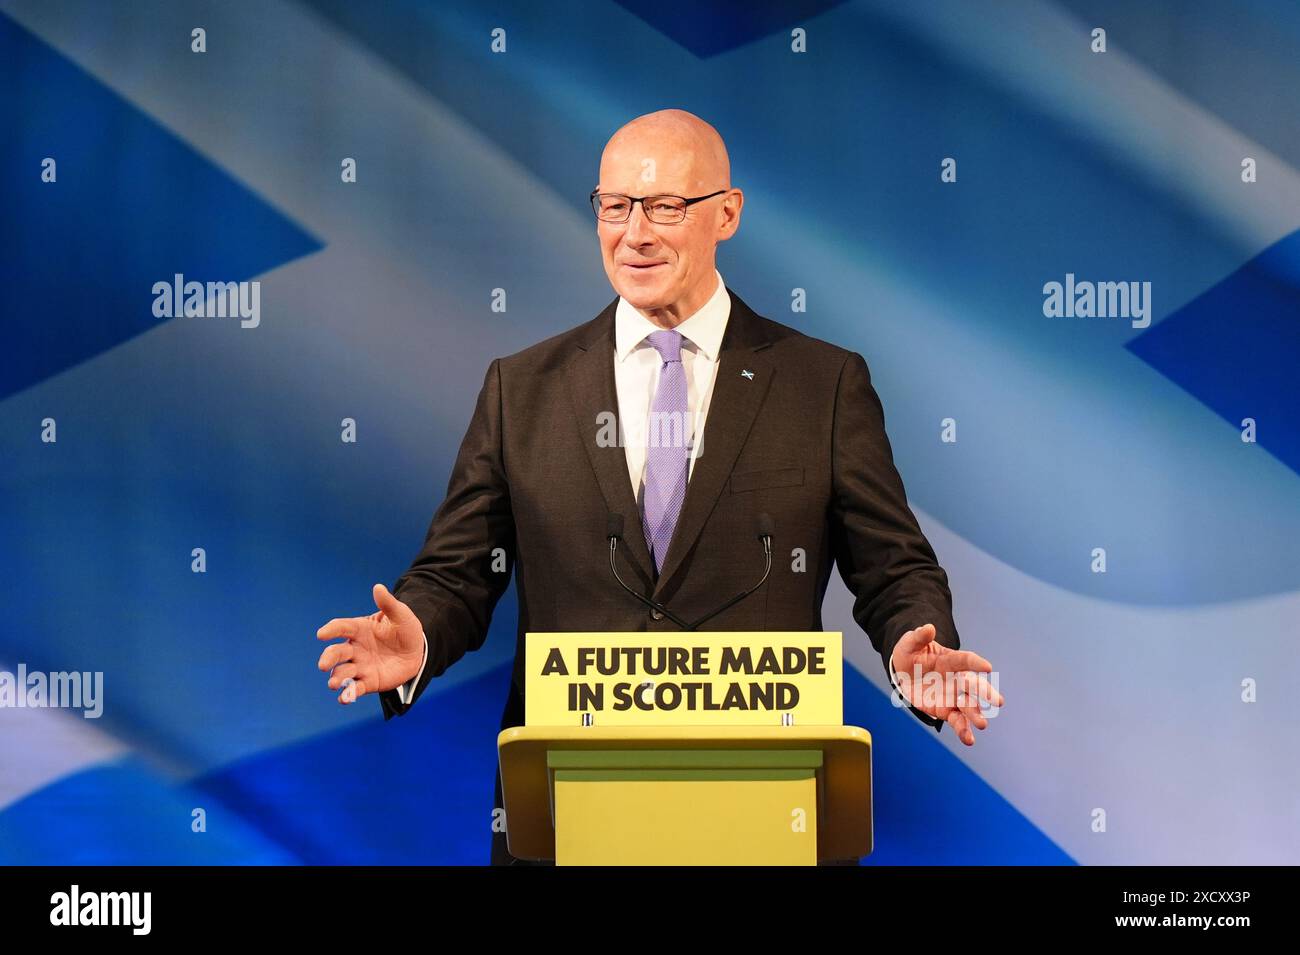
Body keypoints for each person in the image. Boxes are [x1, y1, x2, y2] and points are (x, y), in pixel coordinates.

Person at [315, 109, 1004, 865]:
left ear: (727, 213)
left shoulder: (821, 383)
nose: (635, 233)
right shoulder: (524, 388)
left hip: (763, 812)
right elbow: (461, 573)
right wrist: (418, 628)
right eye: (615, 206)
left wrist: (915, 646)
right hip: (570, 814)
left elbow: (893, 568)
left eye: (666, 207)